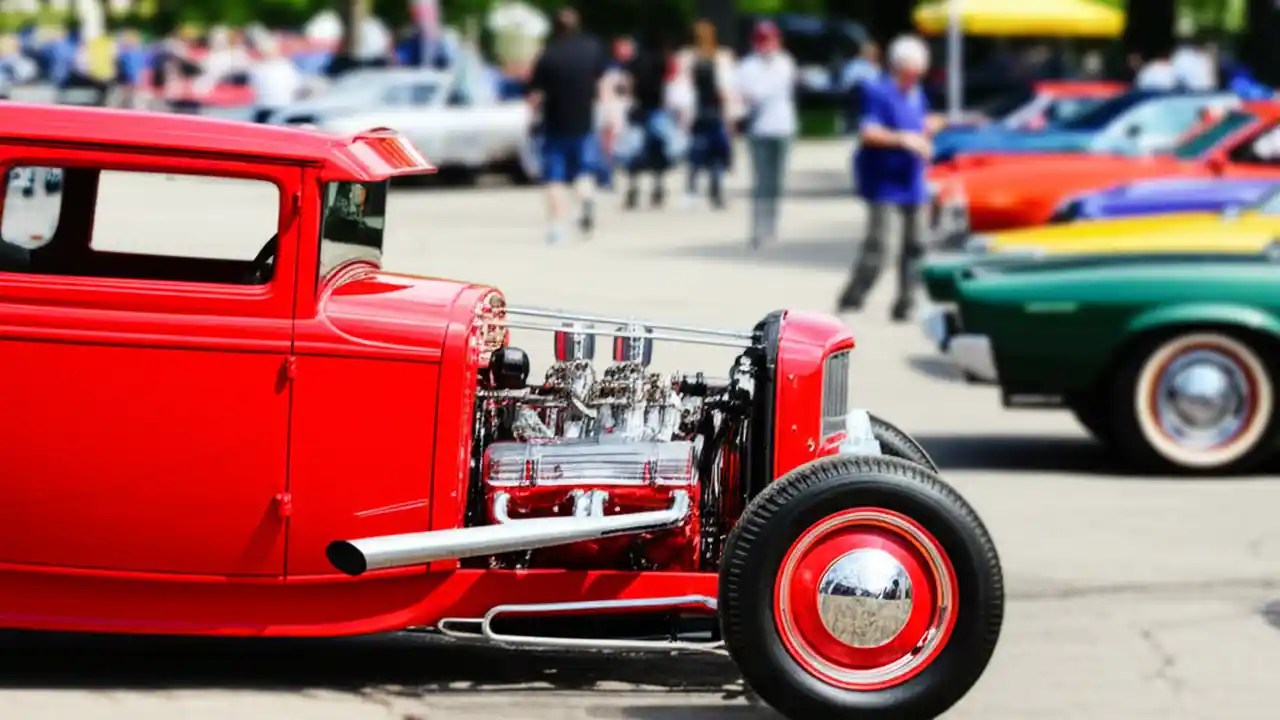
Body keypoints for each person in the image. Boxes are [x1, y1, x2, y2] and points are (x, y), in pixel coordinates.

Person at [837, 34, 943, 321]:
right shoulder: (877, 91)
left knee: (918, 244)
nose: (915, 77)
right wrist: (903, 139)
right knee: (881, 247)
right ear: (898, 66)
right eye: (910, 71)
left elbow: (919, 124)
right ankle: (852, 299)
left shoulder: (917, 93)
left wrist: (928, 127)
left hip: (913, 181)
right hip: (884, 183)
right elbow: (868, 132)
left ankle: (906, 303)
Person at [526, 7, 608, 244]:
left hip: (555, 123)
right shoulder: (591, 48)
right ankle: (585, 203)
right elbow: (602, 83)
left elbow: (534, 95)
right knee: (584, 171)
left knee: (555, 178)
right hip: (584, 121)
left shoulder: (548, 55)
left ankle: (557, 227)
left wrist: (530, 121)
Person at [736, 21, 797, 247]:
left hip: (782, 127)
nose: (766, 45)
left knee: (777, 182)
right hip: (759, 129)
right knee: (761, 181)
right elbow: (748, 93)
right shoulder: (747, 65)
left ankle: (772, 227)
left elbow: (770, 90)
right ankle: (759, 229)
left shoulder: (785, 63)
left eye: (770, 39)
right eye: (762, 40)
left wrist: (758, 92)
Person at [674, 19, 737, 209]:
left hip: (697, 110)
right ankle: (715, 187)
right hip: (714, 110)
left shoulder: (686, 57)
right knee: (717, 152)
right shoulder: (722, 57)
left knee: (696, 150)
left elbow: (682, 87)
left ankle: (692, 188)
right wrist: (730, 114)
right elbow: (726, 89)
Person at [618, 33, 679, 210]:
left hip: (639, 109)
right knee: (657, 150)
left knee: (635, 151)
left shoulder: (636, 61)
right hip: (658, 108)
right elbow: (670, 82)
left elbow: (627, 85)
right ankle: (658, 188)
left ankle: (633, 188)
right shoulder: (663, 60)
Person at [248, 35, 302, 123]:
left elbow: (252, 89)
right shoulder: (286, 66)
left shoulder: (256, 68)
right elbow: (296, 87)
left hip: (264, 109)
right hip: (284, 108)